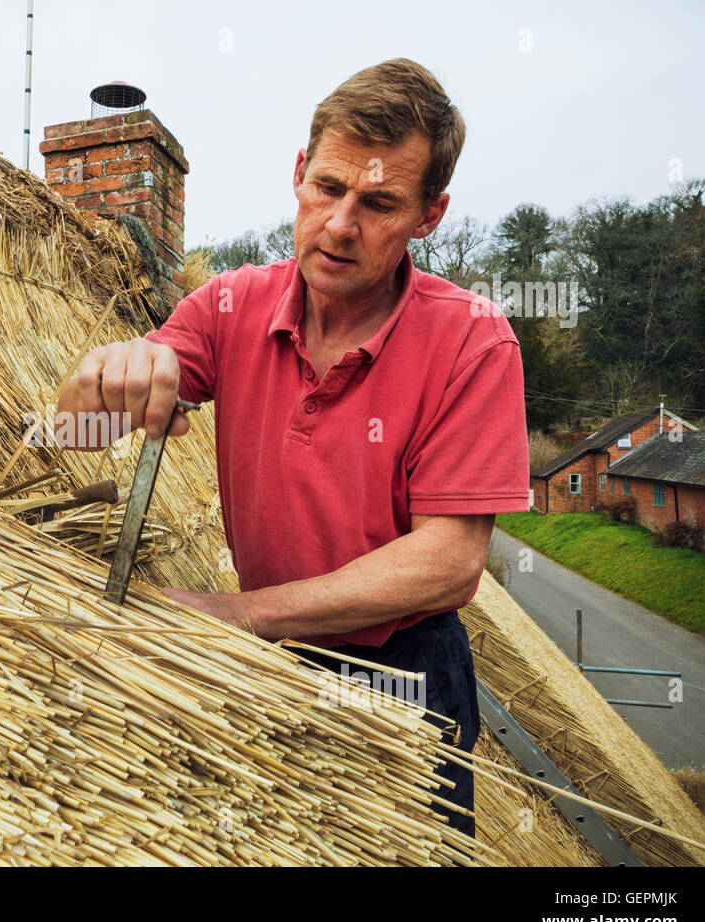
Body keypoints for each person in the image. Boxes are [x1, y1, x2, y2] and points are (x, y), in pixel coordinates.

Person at [54, 58, 531, 838]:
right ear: (300, 172)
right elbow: (81, 436)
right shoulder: (231, 304)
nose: (341, 224)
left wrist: (240, 614)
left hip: (400, 674)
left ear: (429, 215)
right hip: (269, 653)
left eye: (379, 204)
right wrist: (103, 375)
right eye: (328, 188)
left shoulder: (472, 342)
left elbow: (449, 559)